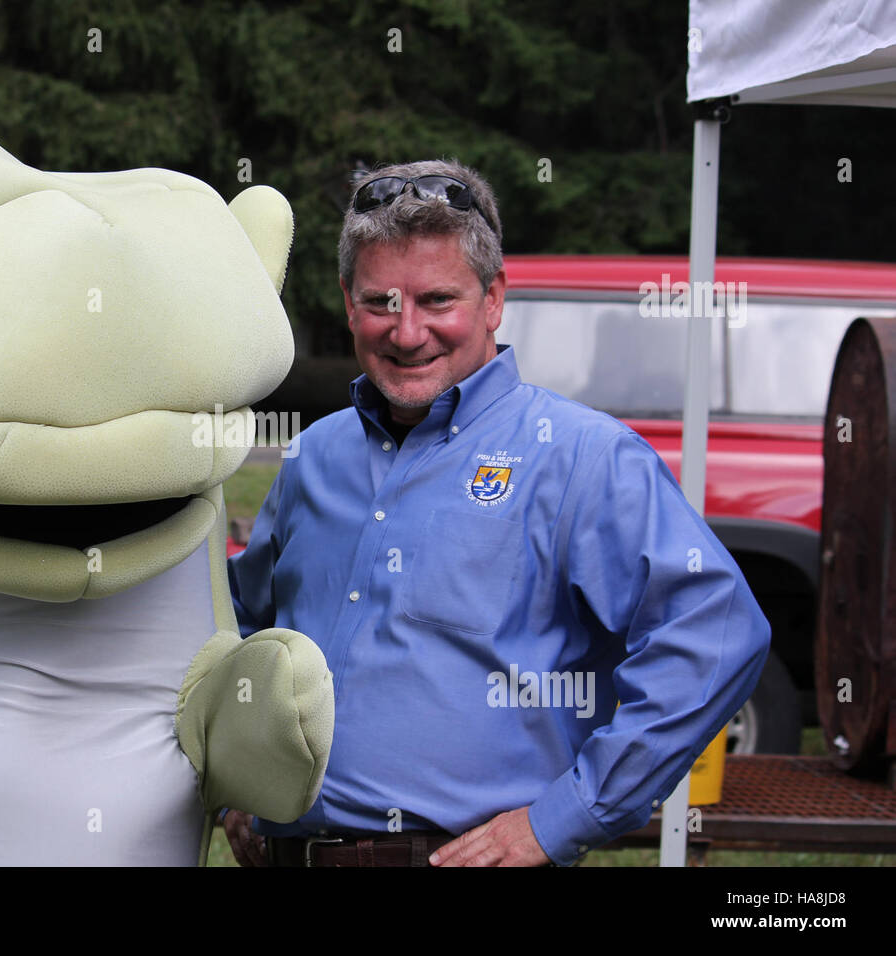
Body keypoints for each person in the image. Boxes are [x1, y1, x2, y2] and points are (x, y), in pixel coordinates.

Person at [223, 159, 771, 867]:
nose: (407, 330)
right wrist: (240, 767)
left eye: (437, 300)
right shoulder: (315, 457)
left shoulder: (583, 456)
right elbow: (242, 629)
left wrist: (564, 815)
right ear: (346, 301)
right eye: (381, 301)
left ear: (493, 299)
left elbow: (717, 633)